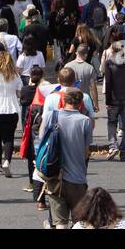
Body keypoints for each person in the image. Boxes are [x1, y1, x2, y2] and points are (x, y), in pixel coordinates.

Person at [38, 87, 93, 228]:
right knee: (79, 222)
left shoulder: (52, 116)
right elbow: (86, 151)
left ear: (63, 100)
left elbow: (41, 138)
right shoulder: (85, 121)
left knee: (60, 222)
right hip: (77, 178)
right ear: (81, 103)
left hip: (55, 176)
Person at [102, 40, 125, 159]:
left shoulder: (109, 63)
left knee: (112, 122)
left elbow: (108, 82)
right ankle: (124, 151)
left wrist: (108, 100)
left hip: (114, 97)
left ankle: (113, 146)